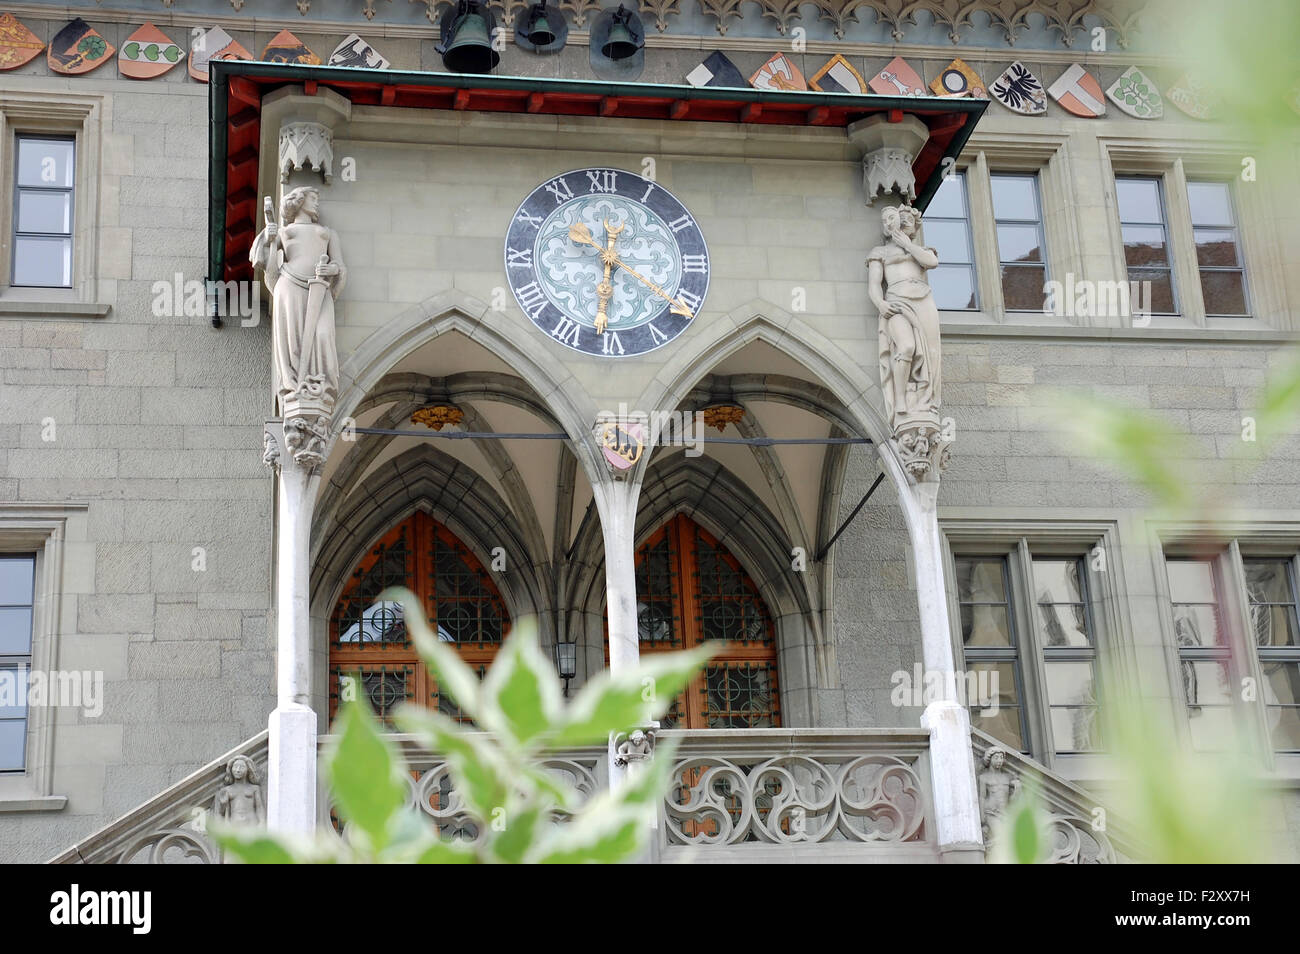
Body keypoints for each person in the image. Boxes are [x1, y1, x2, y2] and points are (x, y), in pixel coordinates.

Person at [250, 186, 347, 413]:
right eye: (313, 199)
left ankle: (319, 385)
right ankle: (294, 386)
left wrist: (330, 269)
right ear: (299, 201)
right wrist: (268, 237)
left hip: (319, 287)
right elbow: (263, 260)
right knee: (291, 339)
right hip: (289, 284)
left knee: (323, 334)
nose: (316, 204)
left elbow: (340, 266)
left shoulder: (328, 232)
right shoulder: (285, 232)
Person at [867, 204, 941, 434]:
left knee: (930, 352)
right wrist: (881, 304)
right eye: (902, 218)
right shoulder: (880, 252)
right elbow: (874, 285)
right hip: (897, 302)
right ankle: (900, 400)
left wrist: (908, 246)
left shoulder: (920, 251)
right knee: (906, 346)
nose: (906, 221)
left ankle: (925, 399)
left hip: (923, 300)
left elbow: (931, 263)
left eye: (910, 218)